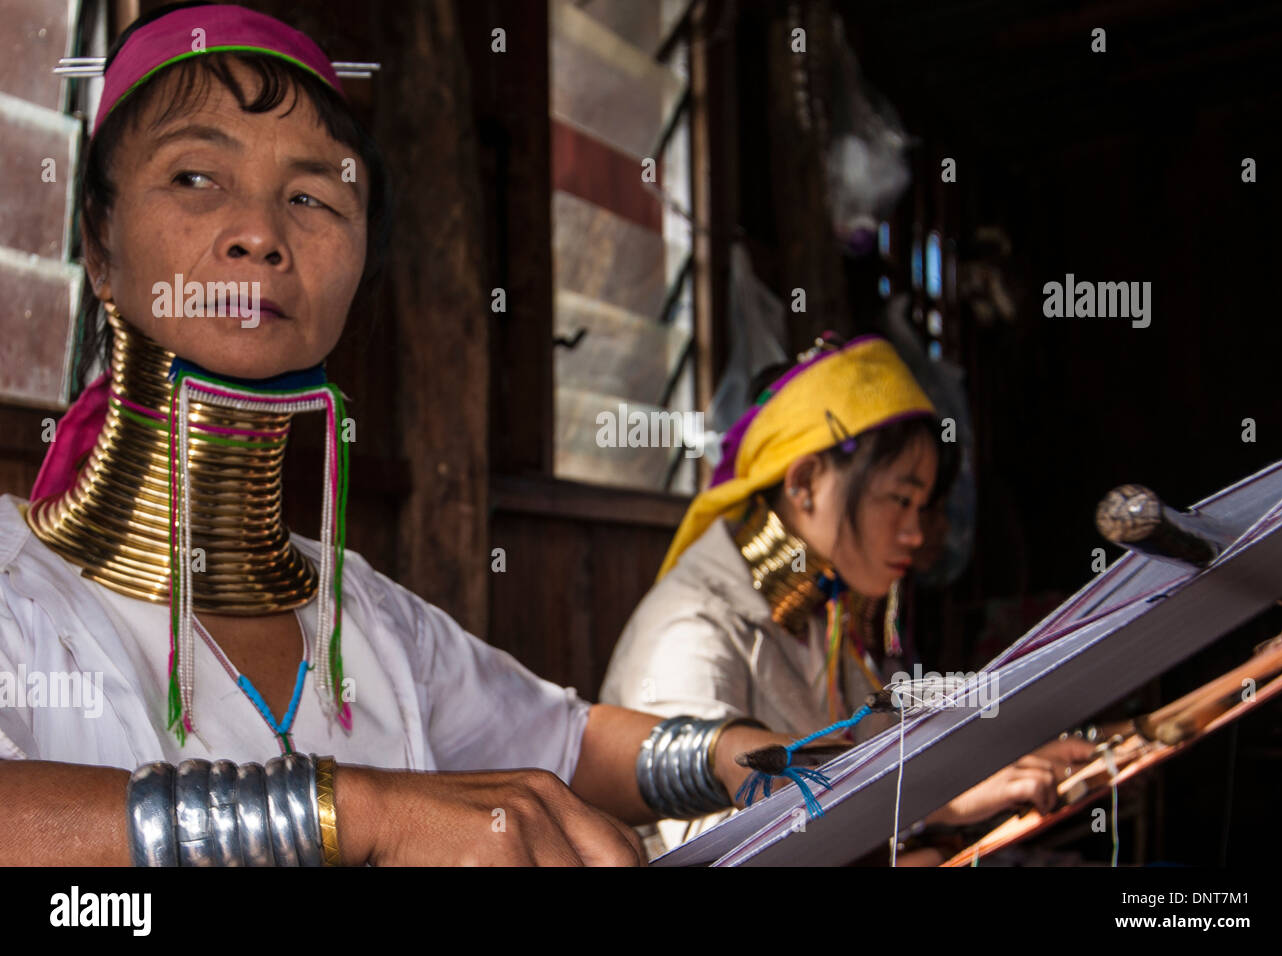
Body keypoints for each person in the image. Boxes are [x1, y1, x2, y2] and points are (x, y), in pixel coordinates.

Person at [0, 2, 784, 867]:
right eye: (196, 178)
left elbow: (570, 743)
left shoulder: (363, 619)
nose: (262, 234)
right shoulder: (18, 594)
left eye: (312, 197)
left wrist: (743, 758)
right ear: (98, 245)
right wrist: (361, 813)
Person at [600, 333, 1092, 859]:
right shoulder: (692, 631)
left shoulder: (827, 619)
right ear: (805, 482)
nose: (915, 534)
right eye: (899, 500)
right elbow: (714, 847)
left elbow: (880, 758)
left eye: (920, 505)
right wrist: (933, 809)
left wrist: (979, 769)